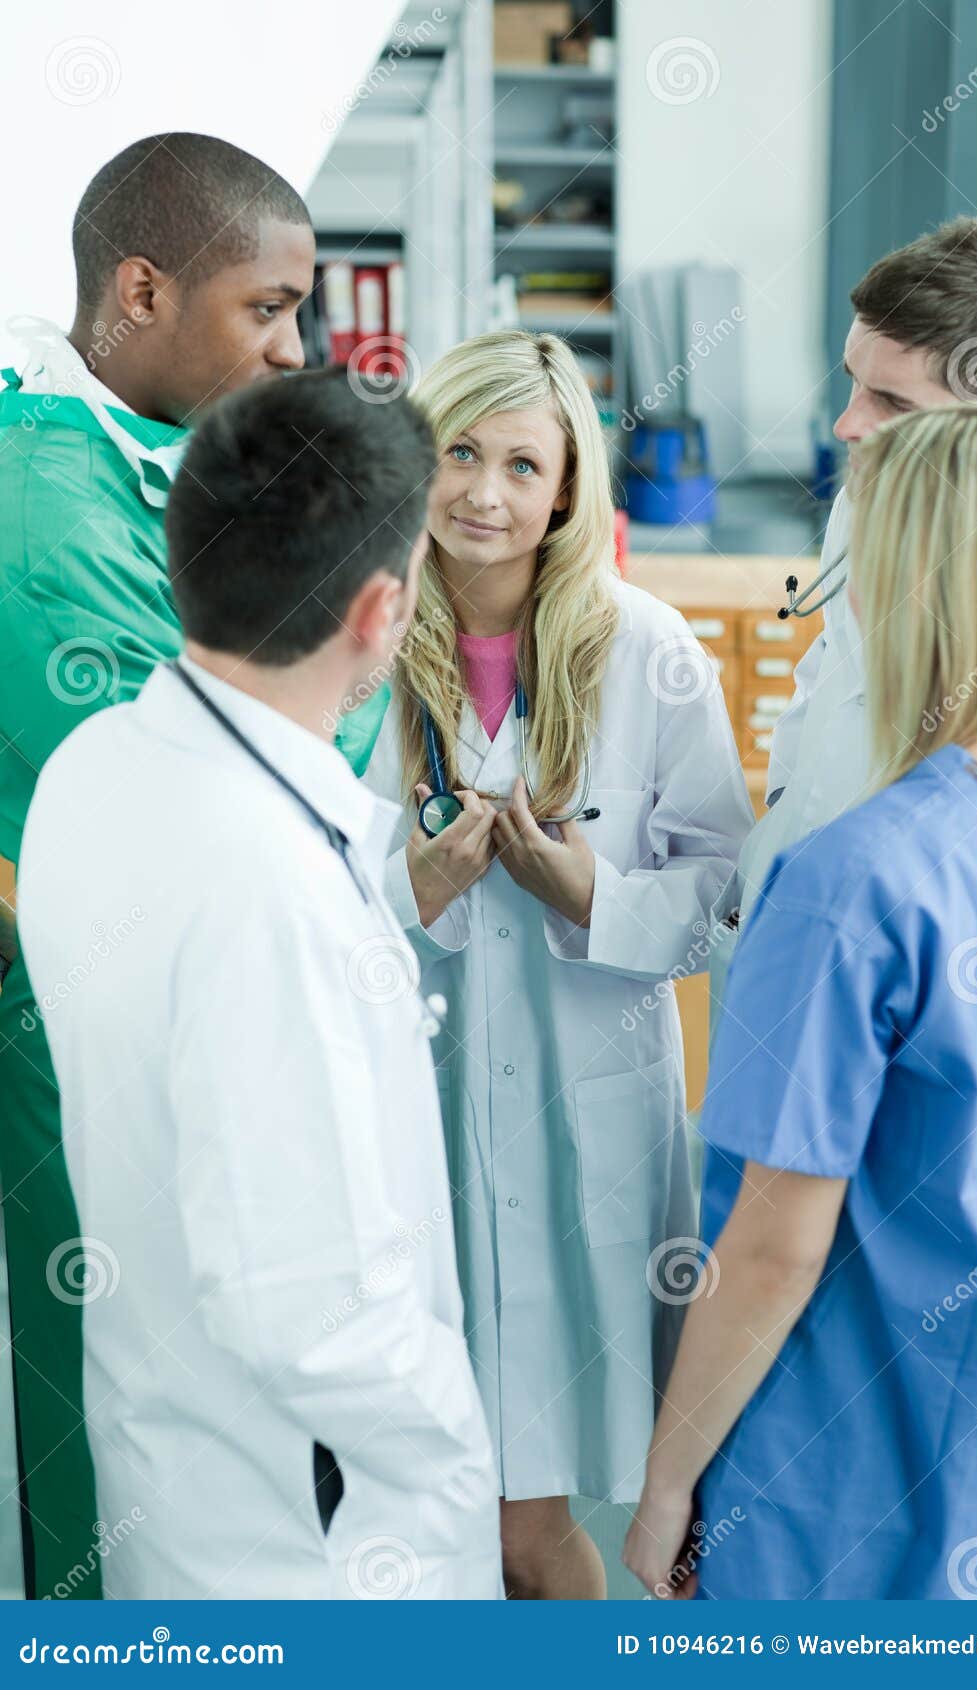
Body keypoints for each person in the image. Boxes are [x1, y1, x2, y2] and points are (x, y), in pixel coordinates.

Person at [15, 368, 503, 1601]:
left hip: (174, 1490)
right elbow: (308, 1307)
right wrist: (454, 1463)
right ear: (385, 609)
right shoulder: (268, 886)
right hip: (315, 1548)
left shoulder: (93, 765)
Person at [0, 132, 387, 1597]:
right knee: (128, 1457)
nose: (295, 352)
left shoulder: (141, 459)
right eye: (267, 311)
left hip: (197, 1022)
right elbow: (225, 783)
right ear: (143, 290)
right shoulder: (41, 504)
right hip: (109, 1047)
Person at [624, 404, 977, 1600]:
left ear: (886, 584)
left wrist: (667, 1483)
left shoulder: (851, 881)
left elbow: (772, 1245)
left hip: (817, 1486)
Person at [361, 329, 753, 1599]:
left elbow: (721, 894)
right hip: (413, 1106)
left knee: (526, 1521)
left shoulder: (648, 648)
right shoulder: (358, 641)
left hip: (592, 1127)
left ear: (566, 488)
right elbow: (299, 882)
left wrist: (595, 896)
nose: (482, 490)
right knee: (458, 1513)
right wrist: (410, 890)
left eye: (520, 464)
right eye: (456, 451)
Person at [732, 215, 977, 927]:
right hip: (804, 912)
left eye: (892, 402)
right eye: (855, 382)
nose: (846, 425)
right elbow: (827, 683)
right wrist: (782, 846)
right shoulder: (865, 498)